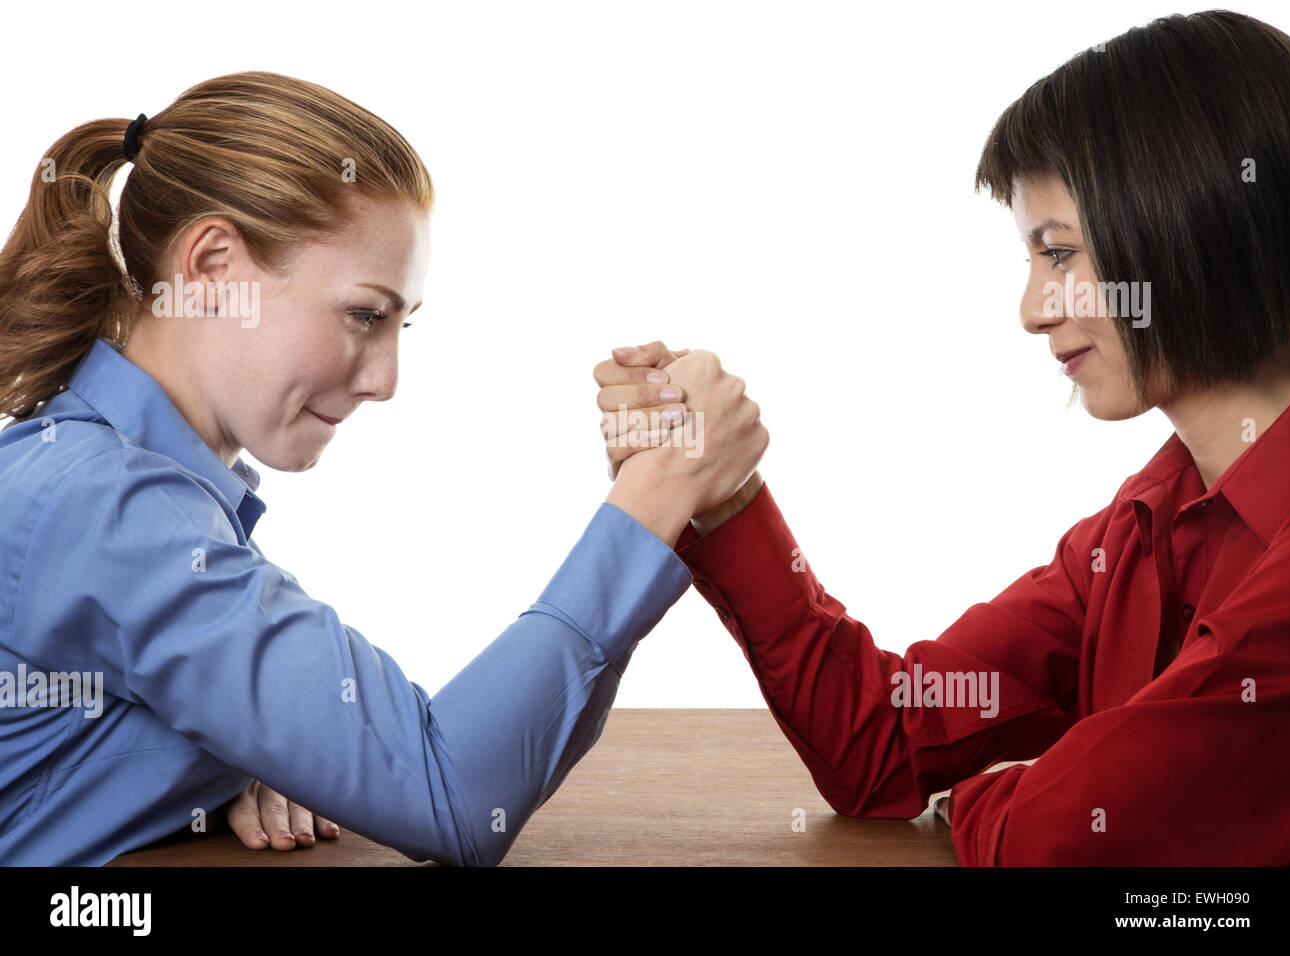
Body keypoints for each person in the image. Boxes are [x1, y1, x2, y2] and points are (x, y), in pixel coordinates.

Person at [0, 71, 768, 866]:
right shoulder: (107, 508)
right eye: (365, 315)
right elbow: (454, 795)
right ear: (214, 267)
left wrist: (231, 755)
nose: (386, 380)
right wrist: (661, 490)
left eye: (402, 324)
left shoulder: (109, 480)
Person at [595, 9, 1290, 865]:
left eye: (1062, 254)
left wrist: (995, 798)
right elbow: (883, 738)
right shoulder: (1139, 529)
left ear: (1197, 224)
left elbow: (1061, 832)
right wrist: (723, 494)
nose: (1034, 310)